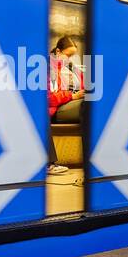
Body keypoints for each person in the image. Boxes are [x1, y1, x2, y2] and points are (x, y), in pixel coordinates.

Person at [47, 36, 85, 175]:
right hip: (55, 107)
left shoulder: (71, 68)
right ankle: (50, 164)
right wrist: (71, 96)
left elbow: (83, 86)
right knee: (85, 107)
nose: (70, 59)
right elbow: (47, 98)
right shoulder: (47, 68)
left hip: (68, 103)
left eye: (72, 56)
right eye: (68, 55)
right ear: (58, 52)